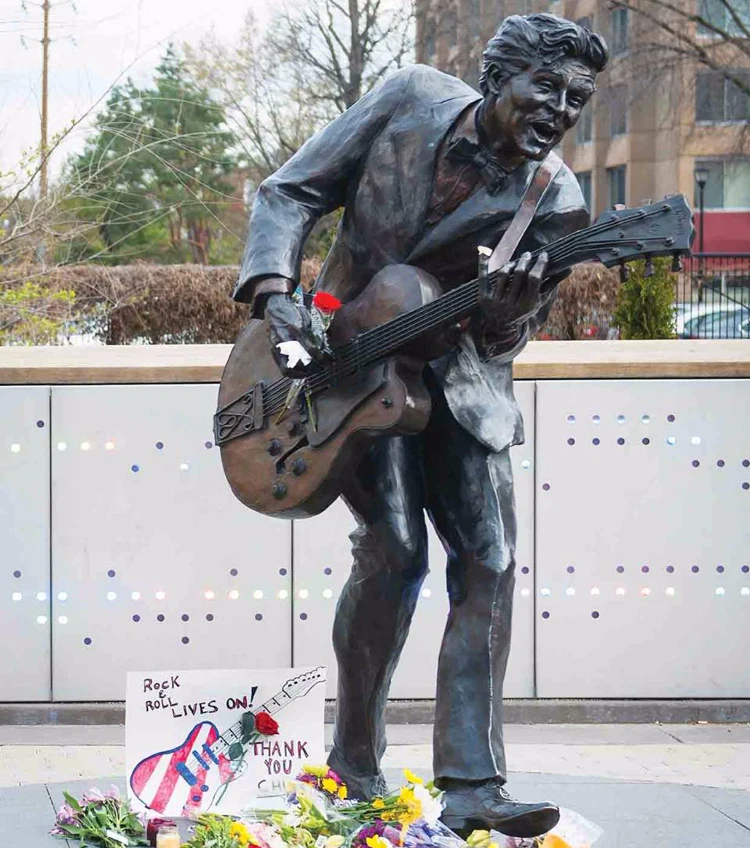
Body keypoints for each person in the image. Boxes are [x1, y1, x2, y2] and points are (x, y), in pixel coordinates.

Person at [233, 14, 608, 838]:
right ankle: (352, 764)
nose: (561, 109)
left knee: (489, 561)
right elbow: (289, 192)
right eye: (546, 87)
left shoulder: (561, 201)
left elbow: (518, 333)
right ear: (495, 77)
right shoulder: (406, 99)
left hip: (464, 380)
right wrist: (278, 298)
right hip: (349, 354)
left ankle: (473, 784)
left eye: (577, 99)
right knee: (395, 553)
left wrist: (506, 319)